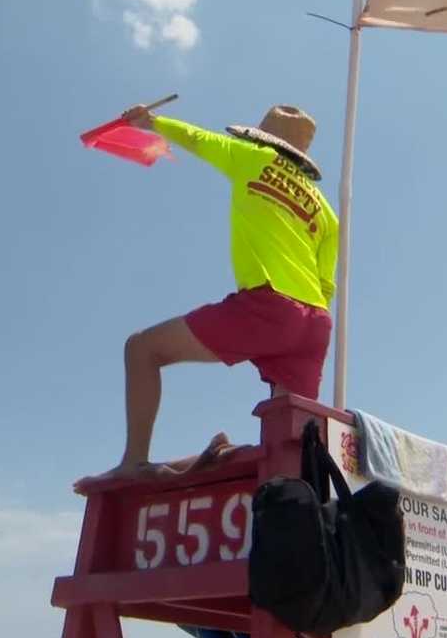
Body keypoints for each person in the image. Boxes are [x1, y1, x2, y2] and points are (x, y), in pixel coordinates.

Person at [76, 104, 339, 490]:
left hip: (270, 305)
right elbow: (326, 284)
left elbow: (199, 139)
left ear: (265, 138)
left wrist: (150, 122)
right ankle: (228, 457)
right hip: (315, 323)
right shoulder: (326, 211)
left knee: (141, 349)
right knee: (284, 444)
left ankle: (134, 462)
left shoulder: (253, 156)